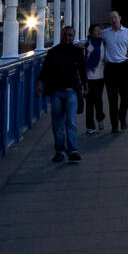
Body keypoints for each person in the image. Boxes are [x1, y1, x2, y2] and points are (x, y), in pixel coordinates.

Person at [36, 25, 87, 162]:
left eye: (70, 35)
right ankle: (60, 151)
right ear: (61, 35)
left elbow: (82, 69)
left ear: (73, 37)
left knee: (71, 121)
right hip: (56, 92)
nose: (67, 37)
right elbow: (45, 69)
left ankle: (73, 150)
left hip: (71, 92)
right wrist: (40, 83)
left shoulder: (77, 51)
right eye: (65, 34)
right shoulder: (53, 52)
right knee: (57, 123)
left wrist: (85, 85)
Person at [102, 9, 128, 133]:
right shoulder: (105, 33)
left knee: (125, 96)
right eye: (111, 18)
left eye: (115, 17)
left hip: (123, 66)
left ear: (120, 18)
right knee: (112, 98)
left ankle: (122, 116)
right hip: (110, 68)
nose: (113, 20)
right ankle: (114, 124)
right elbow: (93, 39)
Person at [83, 23, 107, 134]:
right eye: (96, 31)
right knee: (89, 102)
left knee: (98, 100)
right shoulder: (87, 44)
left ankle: (100, 117)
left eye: (99, 31)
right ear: (91, 33)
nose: (98, 32)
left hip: (100, 76)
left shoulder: (104, 44)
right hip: (89, 77)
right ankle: (90, 126)